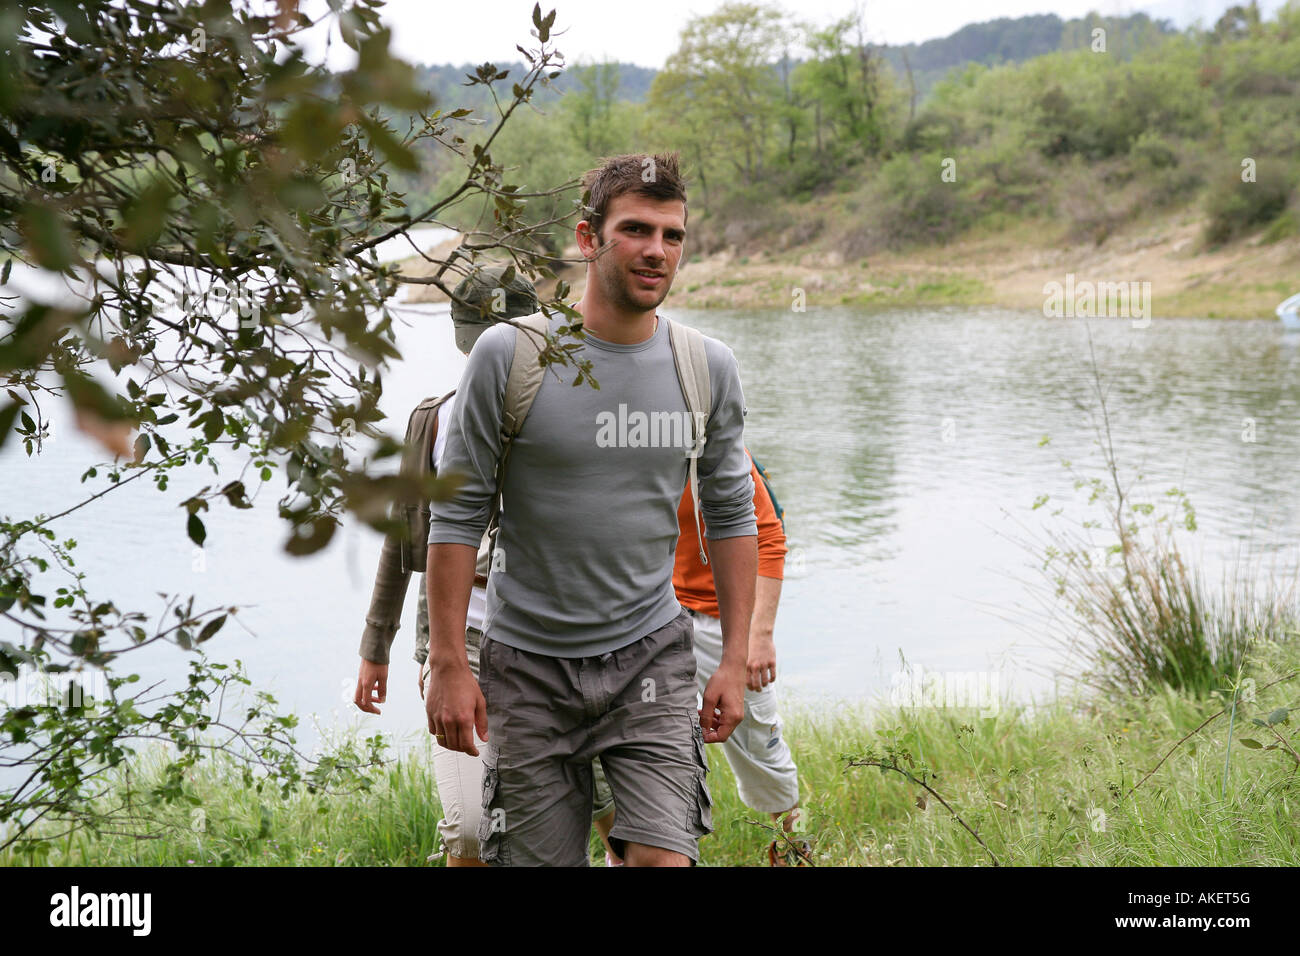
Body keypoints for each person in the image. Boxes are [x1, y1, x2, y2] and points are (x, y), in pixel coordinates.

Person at [425, 151, 758, 867]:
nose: (656, 251)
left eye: (673, 235)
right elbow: (455, 517)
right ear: (588, 238)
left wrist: (735, 656)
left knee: (661, 860)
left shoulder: (706, 367)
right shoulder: (509, 357)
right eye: (636, 229)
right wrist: (448, 662)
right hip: (527, 668)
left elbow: (731, 514)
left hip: (651, 659)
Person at [352, 263, 547, 867]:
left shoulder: (569, 416)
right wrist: (375, 646)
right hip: (456, 639)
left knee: (606, 813)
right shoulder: (434, 419)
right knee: (467, 832)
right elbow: (404, 536)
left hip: (557, 638)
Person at [596, 448, 806, 866]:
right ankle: (627, 856)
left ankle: (796, 851)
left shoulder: (722, 453)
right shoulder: (620, 449)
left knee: (762, 746)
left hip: (723, 622)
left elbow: (770, 540)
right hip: (653, 617)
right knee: (629, 744)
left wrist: (758, 637)